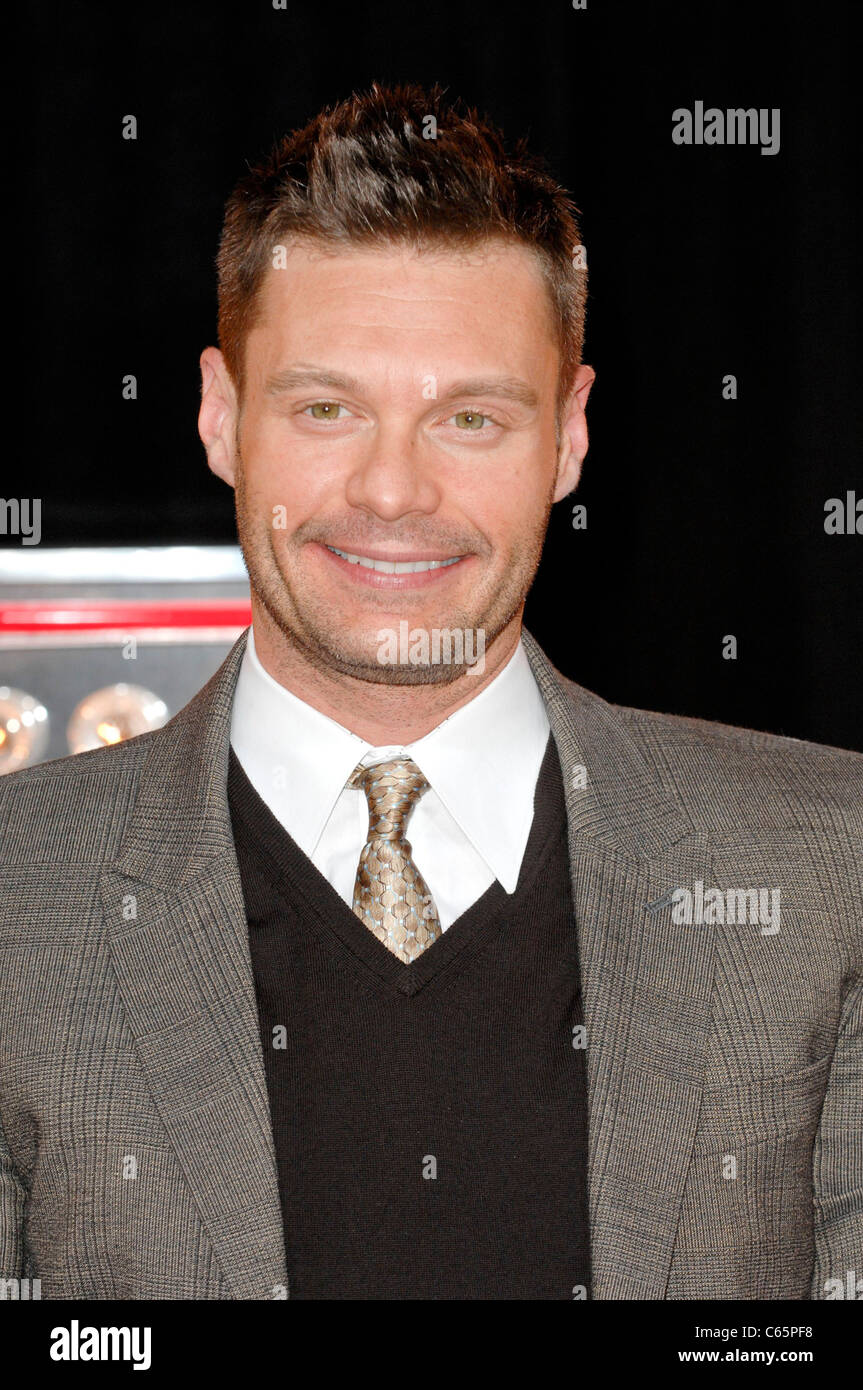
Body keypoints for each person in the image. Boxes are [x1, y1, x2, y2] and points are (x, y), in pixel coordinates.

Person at [1, 83, 860, 1302]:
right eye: (326, 407)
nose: (392, 490)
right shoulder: (12, 905)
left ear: (566, 437)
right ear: (220, 414)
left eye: (468, 415)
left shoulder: (833, 873)